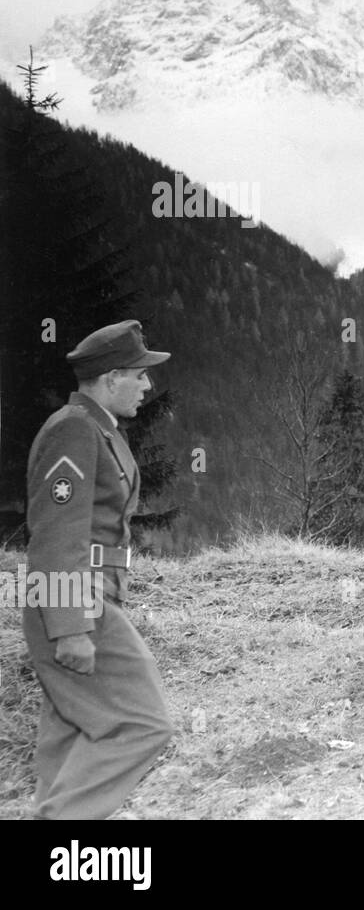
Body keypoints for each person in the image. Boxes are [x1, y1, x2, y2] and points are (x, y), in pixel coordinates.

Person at [23, 319, 175, 819]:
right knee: (145, 723)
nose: (147, 386)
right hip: (76, 600)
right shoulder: (74, 429)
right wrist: (70, 629)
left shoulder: (98, 430)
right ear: (111, 378)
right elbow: (57, 533)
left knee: (72, 732)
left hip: (89, 595)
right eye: (139, 375)